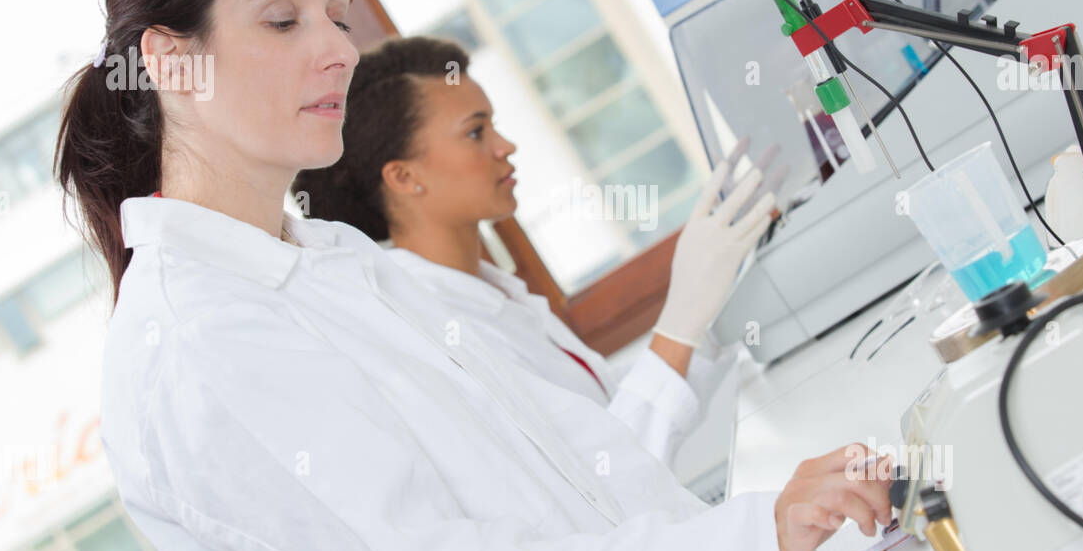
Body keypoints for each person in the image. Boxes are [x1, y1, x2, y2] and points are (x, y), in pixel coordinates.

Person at [58, 0, 893, 551]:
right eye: (283, 19)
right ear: (171, 62)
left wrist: (758, 537)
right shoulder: (200, 341)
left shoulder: (330, 259)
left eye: (338, 16)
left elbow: (573, 463)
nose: (338, 48)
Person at [291, 35, 748, 470]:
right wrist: (682, 319)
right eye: (475, 132)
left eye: (493, 125)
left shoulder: (490, 290)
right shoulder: (435, 326)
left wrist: (715, 320)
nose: (505, 146)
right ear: (405, 178)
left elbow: (609, 414)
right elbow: (603, 477)